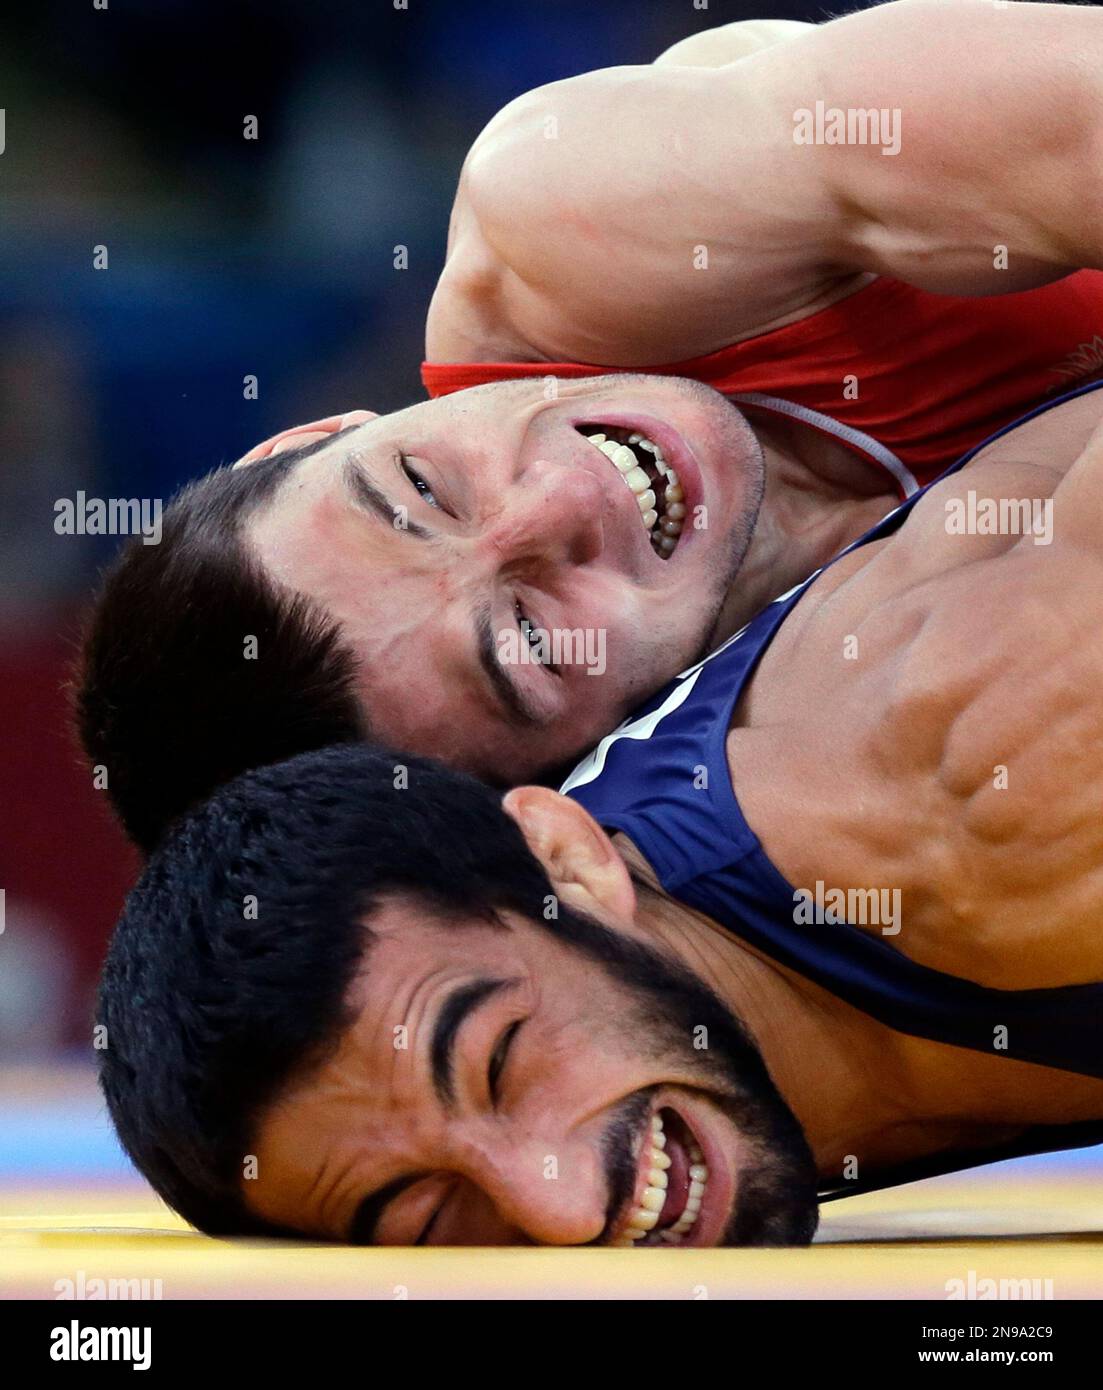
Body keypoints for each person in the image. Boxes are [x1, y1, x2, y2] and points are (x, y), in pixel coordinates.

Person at [96, 377, 1103, 1247]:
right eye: (431, 1219)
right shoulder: (693, 1032)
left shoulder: (977, 783)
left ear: (566, 862)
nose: (560, 1203)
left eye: (497, 1059)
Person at [77, 1, 1103, 852]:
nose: (567, 497)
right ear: (563, 790)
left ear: (309, 436)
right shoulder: (806, 815)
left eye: (422, 491)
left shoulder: (574, 213)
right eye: (529, 640)